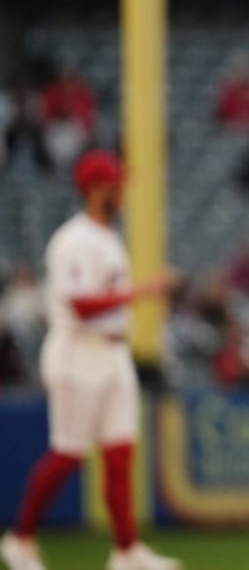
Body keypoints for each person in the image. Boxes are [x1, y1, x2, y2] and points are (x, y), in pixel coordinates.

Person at [1, 150, 182, 570]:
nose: (122, 190)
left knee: (120, 454)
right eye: (116, 182)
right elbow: (80, 305)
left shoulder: (107, 236)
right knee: (69, 453)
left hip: (114, 353)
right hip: (78, 352)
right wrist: (144, 292)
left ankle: (126, 552)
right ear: (96, 187)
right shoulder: (74, 238)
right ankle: (21, 539)